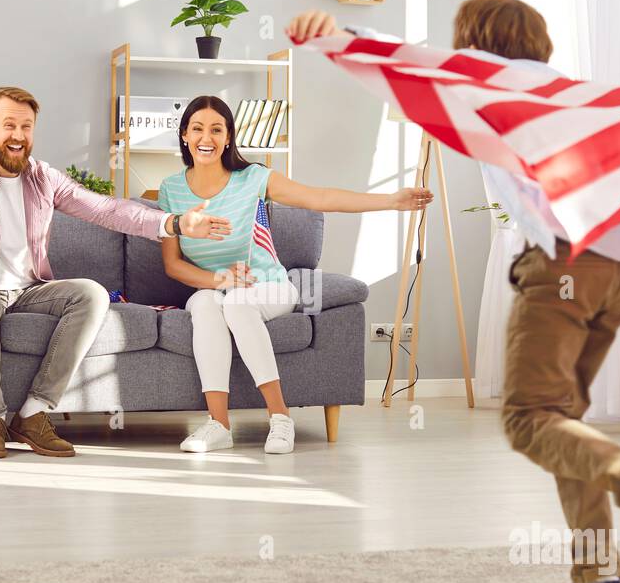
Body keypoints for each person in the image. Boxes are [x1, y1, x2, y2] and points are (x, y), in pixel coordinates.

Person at [286, 2, 620, 583]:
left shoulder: (488, 81)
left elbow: (415, 71)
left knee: (528, 419)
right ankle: (597, 579)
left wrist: (342, 39)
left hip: (564, 269)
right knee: (563, 420)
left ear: (474, 43)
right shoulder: (570, 96)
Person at [0, 86, 231, 459]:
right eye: (8, 125)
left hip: (30, 289)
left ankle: (33, 414)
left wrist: (174, 223)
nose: (18, 136)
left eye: (26, 126)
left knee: (90, 294)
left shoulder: (43, 177)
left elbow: (106, 210)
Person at [159, 95, 432, 455]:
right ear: (184, 136)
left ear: (228, 138)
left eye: (216, 129)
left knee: (239, 304)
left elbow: (318, 197)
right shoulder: (171, 190)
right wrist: (219, 280)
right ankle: (218, 425)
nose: (205, 137)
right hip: (215, 287)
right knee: (208, 307)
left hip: (266, 285)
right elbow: (173, 265)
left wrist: (389, 200)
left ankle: (280, 418)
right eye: (197, 128)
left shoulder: (253, 178)